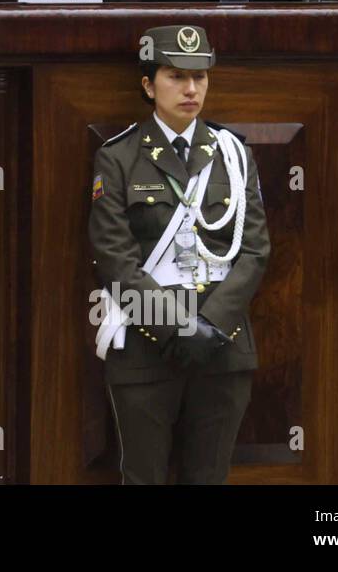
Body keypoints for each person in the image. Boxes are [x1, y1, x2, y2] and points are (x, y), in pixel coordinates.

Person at [88, 25, 271, 484]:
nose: (191, 89)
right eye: (176, 75)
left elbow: (254, 250)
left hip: (221, 346)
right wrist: (179, 326)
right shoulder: (119, 157)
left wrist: (209, 325)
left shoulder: (233, 154)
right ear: (148, 85)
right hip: (148, 348)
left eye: (200, 76)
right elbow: (114, 259)